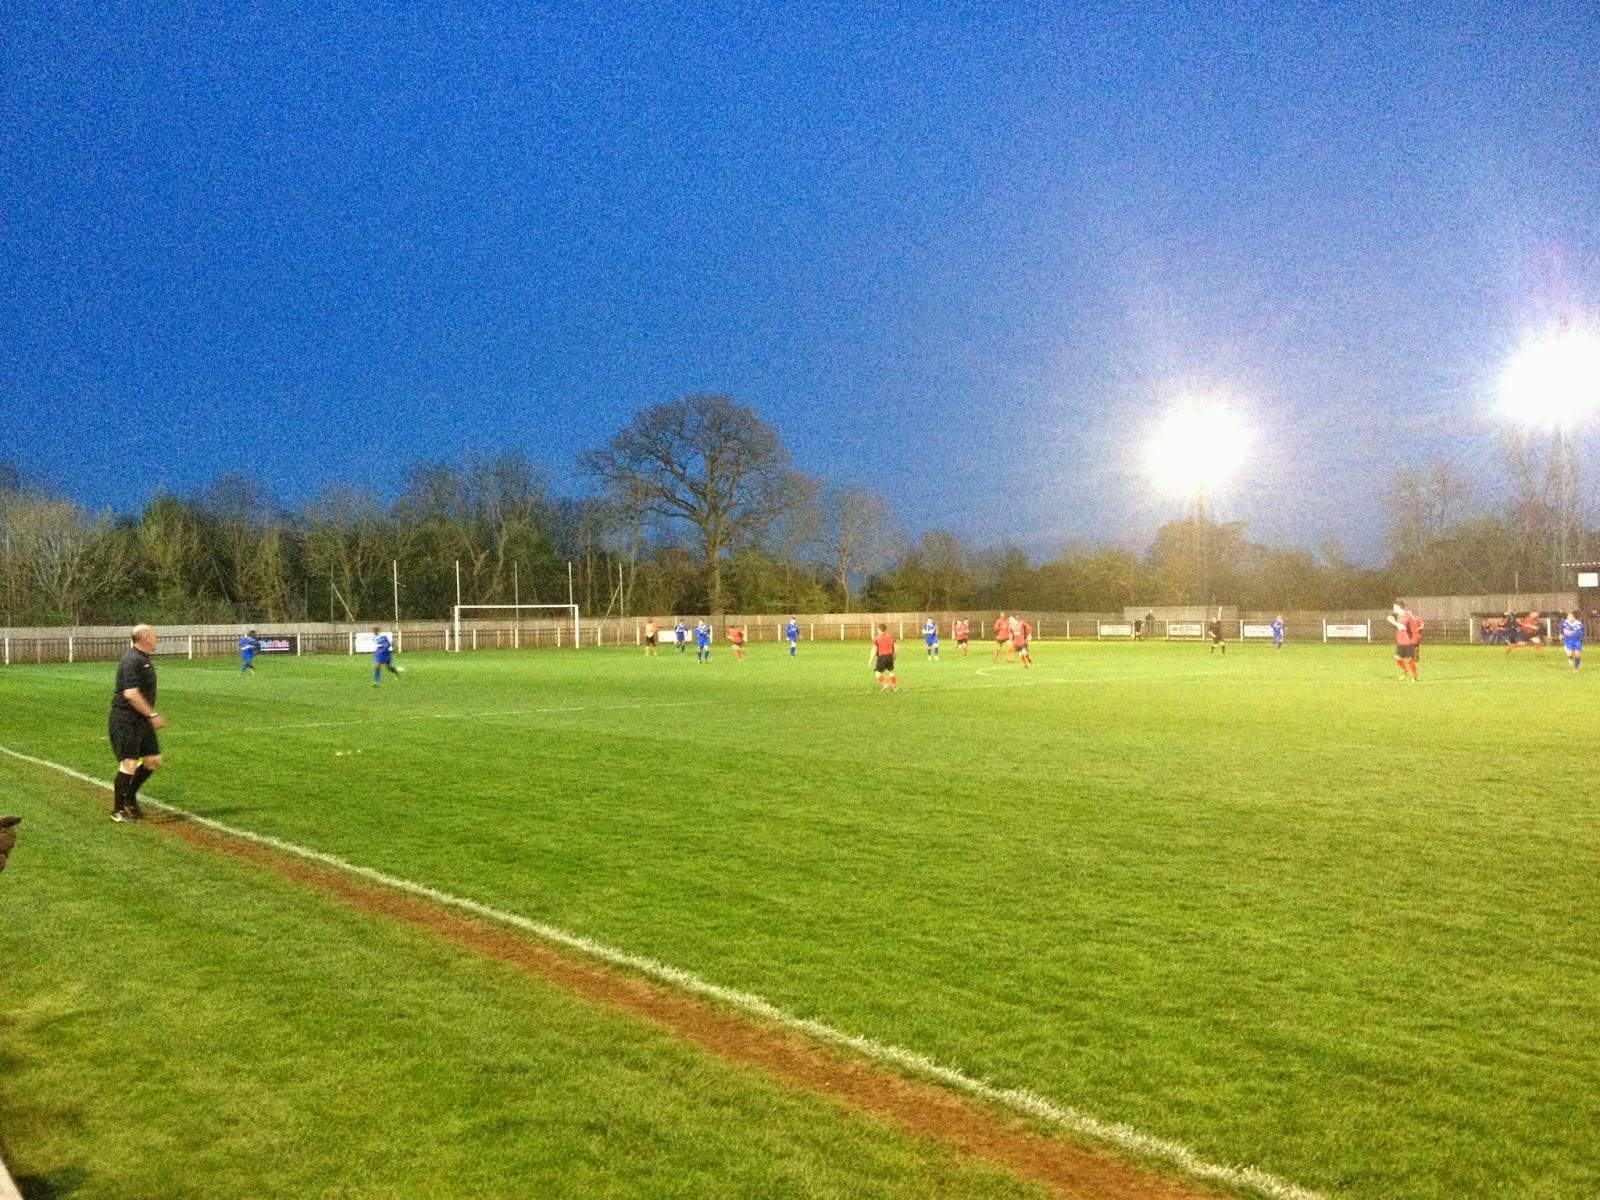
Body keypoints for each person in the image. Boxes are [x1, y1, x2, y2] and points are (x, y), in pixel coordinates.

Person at [109, 624, 165, 822]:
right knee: (129, 763)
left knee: (153, 760)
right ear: (146, 638)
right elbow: (131, 694)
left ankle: (129, 797)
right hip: (126, 719)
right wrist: (152, 714)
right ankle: (118, 811)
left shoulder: (143, 659)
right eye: (154, 635)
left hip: (141, 720)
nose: (156, 638)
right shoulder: (132, 660)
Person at [1387, 601, 1423, 680]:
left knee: (1409, 659)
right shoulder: (1396, 615)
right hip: (1401, 640)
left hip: (1410, 641)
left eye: (1394, 607)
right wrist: (1398, 624)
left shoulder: (1408, 615)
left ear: (1399, 607)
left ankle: (1414, 676)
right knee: (1398, 658)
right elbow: (1389, 618)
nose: (1393, 609)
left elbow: (1413, 626)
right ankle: (1405, 670)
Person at [870, 623, 899, 692]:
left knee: (877, 673)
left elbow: (874, 649)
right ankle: (895, 686)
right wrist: (894, 655)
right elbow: (895, 646)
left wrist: (870, 660)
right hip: (890, 656)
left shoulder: (877, 638)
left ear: (878, 630)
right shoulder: (890, 637)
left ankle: (885, 683)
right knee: (891, 671)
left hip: (882, 656)